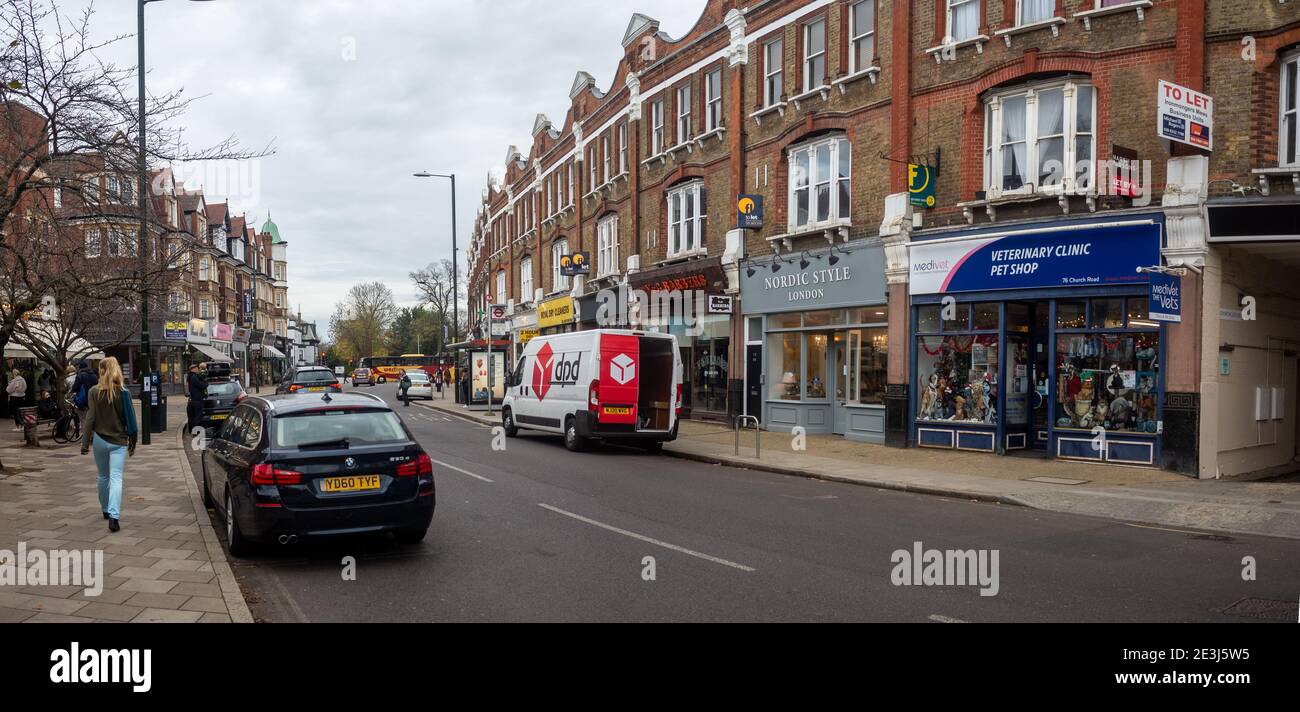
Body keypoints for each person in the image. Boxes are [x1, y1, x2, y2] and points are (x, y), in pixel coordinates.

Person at [80, 357, 137, 533]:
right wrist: (133, 442)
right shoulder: (124, 392)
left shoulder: (94, 392)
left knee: (102, 476)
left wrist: (84, 443)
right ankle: (114, 516)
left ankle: (105, 509)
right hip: (118, 441)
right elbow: (131, 420)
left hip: (99, 440)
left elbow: (90, 418)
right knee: (116, 477)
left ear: (102, 371)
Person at [186, 363, 207, 432]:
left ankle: (194, 430)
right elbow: (201, 385)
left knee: (194, 416)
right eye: (197, 368)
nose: (198, 370)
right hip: (197, 399)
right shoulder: (194, 377)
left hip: (194, 399)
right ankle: (195, 431)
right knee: (198, 416)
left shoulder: (191, 376)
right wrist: (206, 383)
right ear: (193, 369)